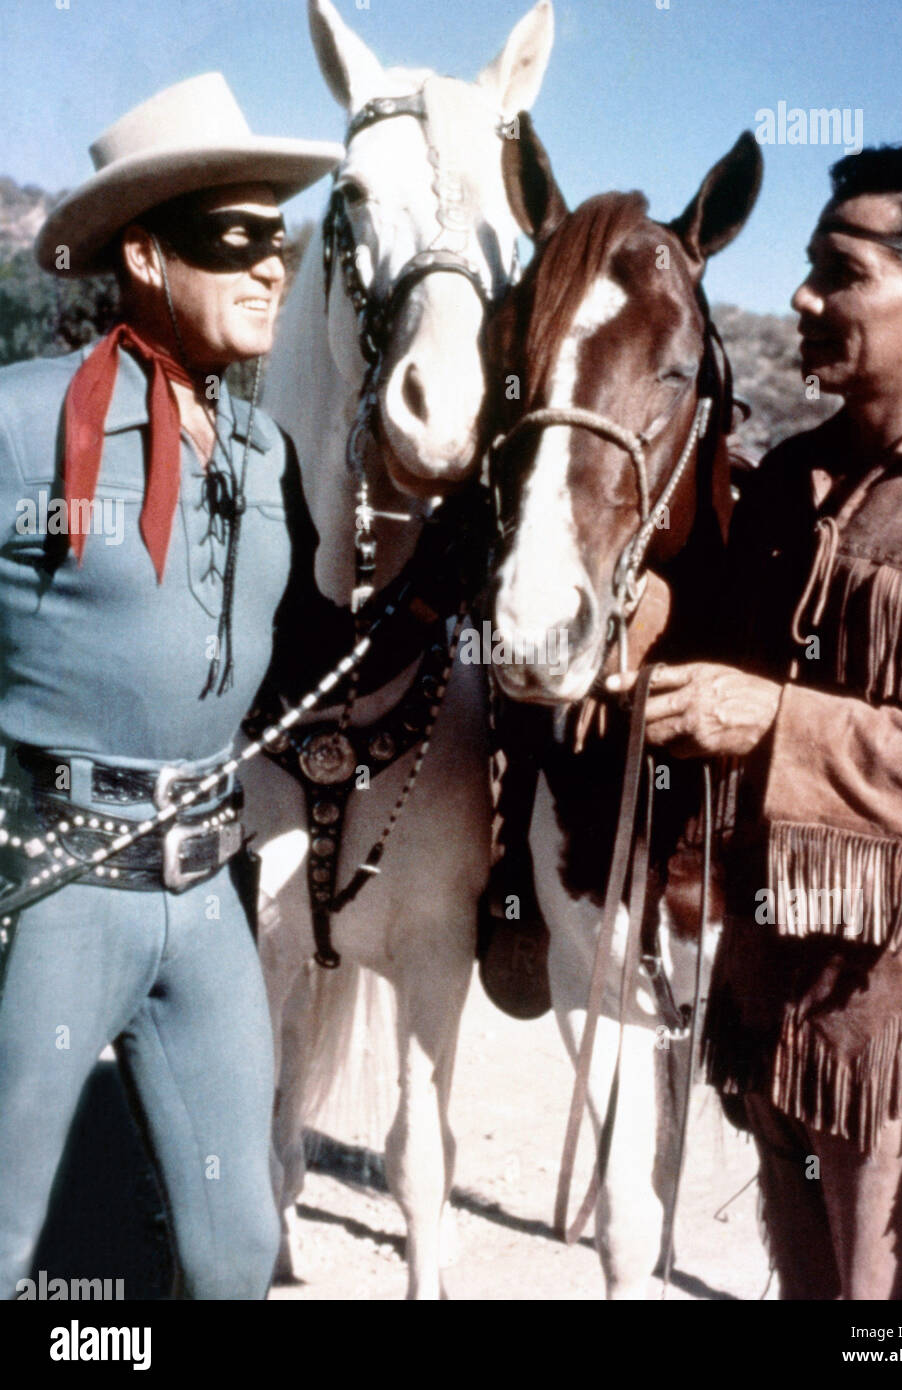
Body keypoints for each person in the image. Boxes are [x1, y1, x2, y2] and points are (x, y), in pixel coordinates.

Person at [614, 145, 902, 1299]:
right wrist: (648, 617)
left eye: (837, 271)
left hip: (898, 1028)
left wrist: (777, 722)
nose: (801, 296)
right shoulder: (788, 478)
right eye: (807, 267)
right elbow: (717, 677)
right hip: (763, 1000)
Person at [0, 73, 344, 1299]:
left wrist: (452, 572)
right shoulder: (24, 423)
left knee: (236, 1249)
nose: (269, 268)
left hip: (207, 901)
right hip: (52, 883)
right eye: (234, 240)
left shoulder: (265, 456)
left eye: (282, 242)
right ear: (144, 255)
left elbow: (313, 663)